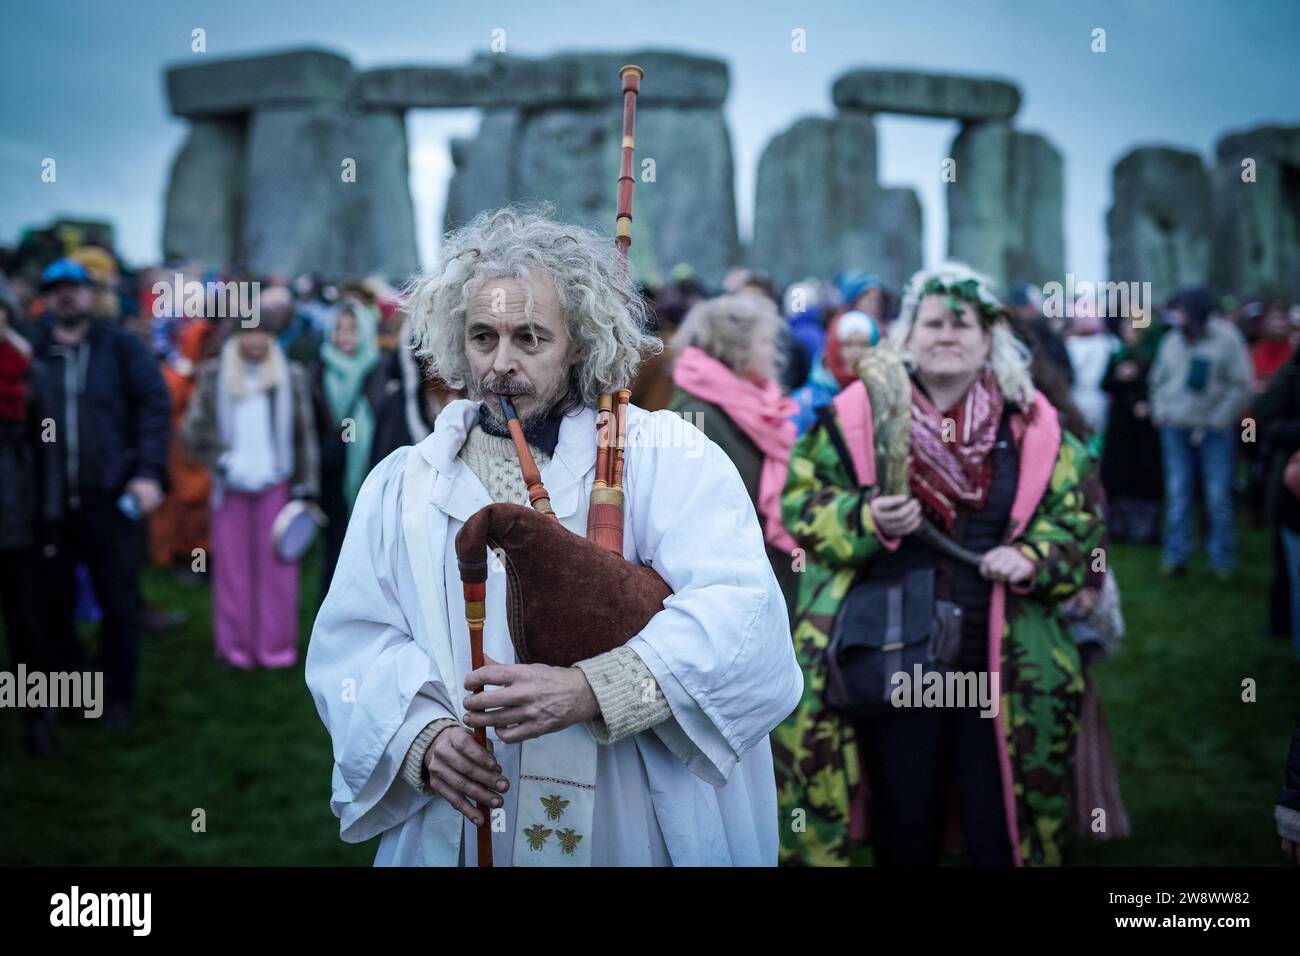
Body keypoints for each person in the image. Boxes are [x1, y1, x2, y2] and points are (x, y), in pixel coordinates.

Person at [305, 207, 802, 866]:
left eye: (530, 338)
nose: (501, 364)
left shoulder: (667, 456)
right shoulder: (403, 484)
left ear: (580, 344)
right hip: (467, 821)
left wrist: (595, 690)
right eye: (483, 337)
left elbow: (744, 616)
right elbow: (357, 642)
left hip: (630, 816)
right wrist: (419, 738)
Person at [774, 263, 1102, 867]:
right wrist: (867, 519)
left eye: (963, 323)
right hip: (891, 655)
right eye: (933, 322)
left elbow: (1079, 521)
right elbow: (801, 504)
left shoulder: (1031, 425)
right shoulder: (854, 417)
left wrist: (1030, 555)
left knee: (1001, 825)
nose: (947, 335)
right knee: (906, 823)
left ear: (989, 338)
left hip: (1005, 663)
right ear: (908, 333)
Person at [31, 258, 170, 729]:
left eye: (74, 286)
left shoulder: (120, 346)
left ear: (90, 293)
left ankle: (116, 699)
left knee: (119, 602)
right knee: (52, 605)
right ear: (46, 297)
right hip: (48, 504)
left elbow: (154, 406)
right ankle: (72, 697)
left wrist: (148, 472)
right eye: (57, 288)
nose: (66, 295)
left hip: (111, 500)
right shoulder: (32, 349)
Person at [181, 312, 320, 669]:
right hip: (230, 488)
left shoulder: (290, 376)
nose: (257, 340)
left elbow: (305, 436)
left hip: (277, 484)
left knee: (278, 571)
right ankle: (235, 648)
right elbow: (192, 432)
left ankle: (276, 649)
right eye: (250, 332)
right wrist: (223, 462)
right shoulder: (214, 375)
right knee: (232, 572)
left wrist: (305, 486)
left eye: (264, 332)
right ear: (236, 336)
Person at [666, 293, 802, 626]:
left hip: (764, 584)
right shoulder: (693, 416)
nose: (776, 354)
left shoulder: (755, 408)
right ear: (736, 349)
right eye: (765, 341)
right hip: (726, 603)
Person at [1148, 286, 1253, 578]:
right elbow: (1157, 381)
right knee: (1178, 493)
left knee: (1218, 495)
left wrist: (1220, 419)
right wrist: (1161, 412)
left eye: (1179, 309)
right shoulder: (1170, 341)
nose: (1174, 315)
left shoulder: (1227, 339)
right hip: (1176, 429)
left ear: (1195, 310)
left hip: (1214, 431)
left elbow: (1241, 384)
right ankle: (1176, 556)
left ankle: (1221, 559)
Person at [0, 277, 60, 753]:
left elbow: (49, 451)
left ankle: (36, 719)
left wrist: (48, 517)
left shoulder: (28, 371)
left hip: (19, 518)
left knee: (26, 624)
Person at [315, 299, 380, 593]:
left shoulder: (380, 371)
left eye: (352, 329)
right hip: (330, 476)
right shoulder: (317, 371)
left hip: (368, 474)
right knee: (334, 550)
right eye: (338, 329)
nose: (344, 336)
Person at [1099, 311, 1164, 544]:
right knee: (1118, 474)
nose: (1128, 332)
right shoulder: (1118, 355)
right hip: (1121, 427)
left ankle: (1145, 529)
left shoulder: (1156, 356)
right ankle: (1118, 526)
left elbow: (1161, 386)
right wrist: (1119, 376)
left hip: (1146, 430)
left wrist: (1149, 404)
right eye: (1126, 327)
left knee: (1145, 477)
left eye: (1133, 328)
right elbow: (1105, 384)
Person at [790, 310, 878, 436]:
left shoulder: (879, 396)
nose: (856, 353)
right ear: (835, 348)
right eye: (847, 344)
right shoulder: (808, 400)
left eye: (863, 345)